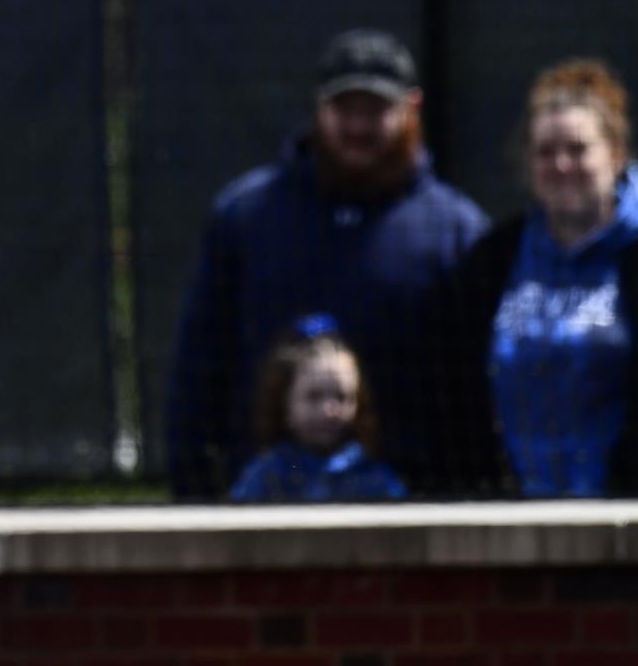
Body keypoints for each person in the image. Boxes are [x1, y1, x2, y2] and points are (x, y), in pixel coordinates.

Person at [165, 28, 489, 499]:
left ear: (412, 108)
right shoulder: (247, 216)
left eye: (375, 110)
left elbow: (473, 393)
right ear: (318, 109)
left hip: (412, 516)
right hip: (261, 510)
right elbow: (198, 370)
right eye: (344, 109)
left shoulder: (454, 231)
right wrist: (195, 493)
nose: (358, 126)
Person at [439, 59, 638, 497]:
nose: (562, 165)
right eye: (546, 152)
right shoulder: (493, 260)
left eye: (577, 149)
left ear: (615, 154)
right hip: (515, 516)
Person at [227, 314, 408, 502]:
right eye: (313, 396)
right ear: (284, 403)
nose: (329, 410)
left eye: (342, 396)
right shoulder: (265, 477)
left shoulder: (376, 480)